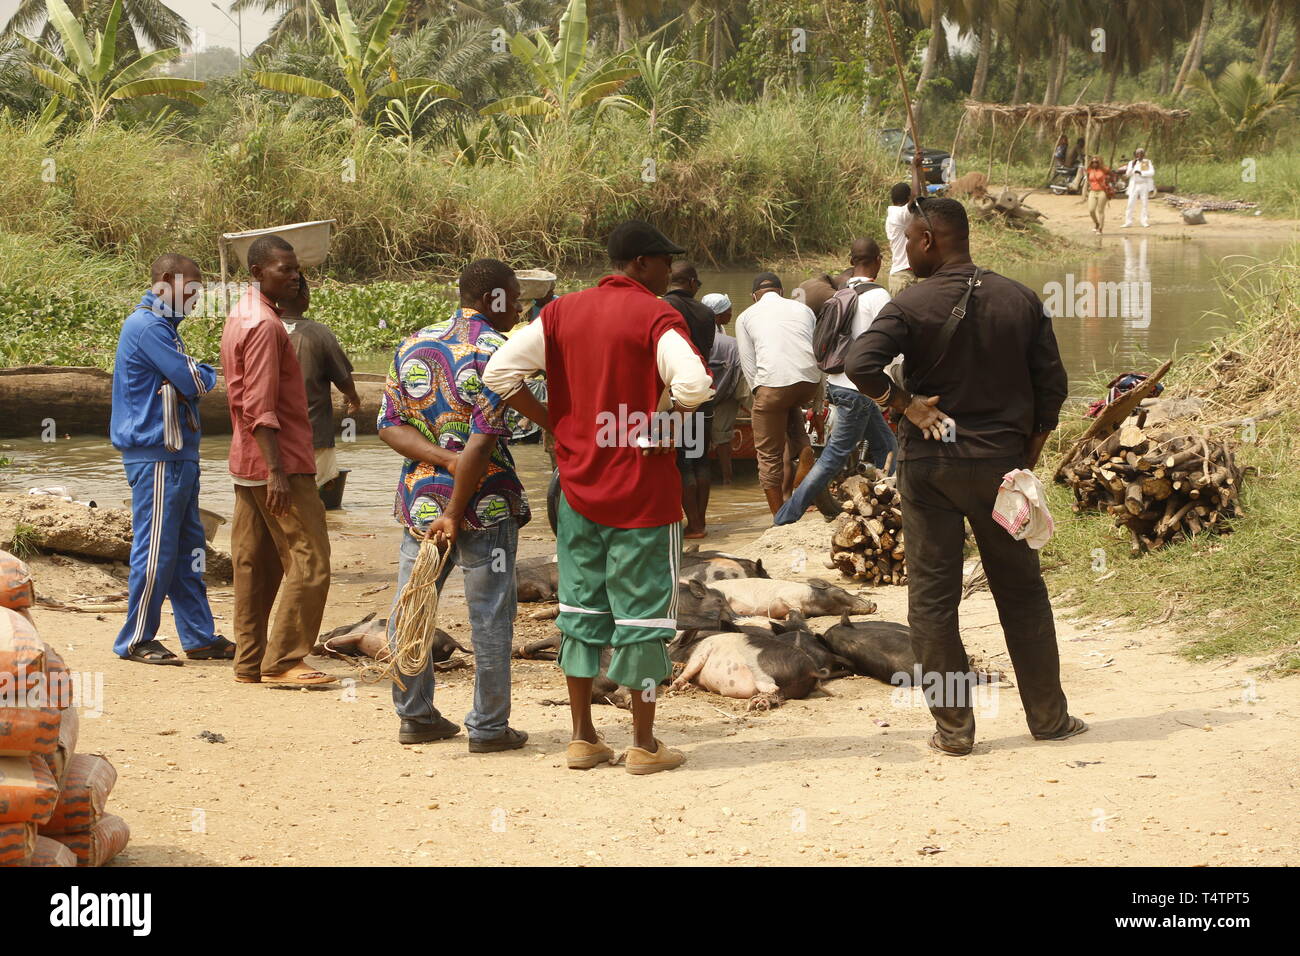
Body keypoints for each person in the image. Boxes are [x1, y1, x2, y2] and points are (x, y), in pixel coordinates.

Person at [843, 196, 1086, 756]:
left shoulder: (910, 304)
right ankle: (1049, 721)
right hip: (1000, 469)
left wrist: (905, 405)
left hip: (930, 470)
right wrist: (1024, 453)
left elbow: (860, 364)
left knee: (932, 602)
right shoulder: (1020, 299)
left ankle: (954, 732)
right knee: (1022, 594)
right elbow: (1052, 390)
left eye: (908, 239)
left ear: (929, 240)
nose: (903, 250)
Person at [483, 220, 713, 775]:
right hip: (644, 499)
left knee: (580, 612)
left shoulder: (560, 313)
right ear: (641, 264)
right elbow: (695, 385)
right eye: (663, 262)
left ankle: (583, 737)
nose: (667, 272)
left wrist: (558, 424)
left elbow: (498, 374)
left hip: (577, 491)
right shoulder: (657, 316)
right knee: (645, 622)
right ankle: (643, 743)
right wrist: (663, 427)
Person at [377, 258, 531, 750]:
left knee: (414, 604)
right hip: (483, 506)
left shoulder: (412, 344)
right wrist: (459, 484)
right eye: (515, 295)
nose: (521, 306)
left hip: (422, 502)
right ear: (495, 299)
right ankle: (488, 727)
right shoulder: (500, 352)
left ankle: (415, 716)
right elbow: (484, 444)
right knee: (490, 615)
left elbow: (388, 424)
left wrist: (442, 462)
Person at [220, 235, 335, 687]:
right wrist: (277, 472)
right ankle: (285, 659)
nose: (294, 276)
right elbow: (260, 406)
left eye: (296, 269)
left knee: (255, 563)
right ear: (257, 273)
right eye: (284, 269)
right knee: (311, 561)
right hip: (277, 461)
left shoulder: (241, 313)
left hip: (245, 460)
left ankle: (249, 661)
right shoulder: (266, 326)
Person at [109, 254, 231, 666]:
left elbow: (187, 381)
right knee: (157, 548)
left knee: (186, 551)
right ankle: (135, 639)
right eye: (193, 285)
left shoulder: (162, 327)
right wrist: (202, 372)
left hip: (177, 456)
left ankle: (198, 637)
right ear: (166, 281)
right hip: (157, 456)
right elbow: (195, 380)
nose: (199, 294)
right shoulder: (147, 326)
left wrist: (192, 375)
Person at [775, 238, 897, 526]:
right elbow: (889, 345)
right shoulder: (878, 296)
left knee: (887, 446)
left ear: (851, 260)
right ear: (878, 261)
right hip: (860, 388)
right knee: (832, 457)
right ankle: (786, 516)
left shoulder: (843, 290)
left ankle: (886, 502)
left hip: (840, 384)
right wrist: (894, 389)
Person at [735, 272, 822, 516]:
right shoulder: (803, 310)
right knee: (789, 404)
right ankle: (804, 448)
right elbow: (817, 352)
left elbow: (749, 365)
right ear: (781, 292)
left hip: (774, 384)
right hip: (808, 381)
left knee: (768, 456)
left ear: (754, 297)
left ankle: (779, 516)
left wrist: (760, 398)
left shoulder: (745, 317)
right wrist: (816, 401)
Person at [281, 277, 361, 489]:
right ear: (305, 297)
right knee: (313, 493)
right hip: (312, 432)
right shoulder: (319, 333)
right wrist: (352, 396)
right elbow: (343, 378)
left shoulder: (262, 327)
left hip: (270, 435)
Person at [663, 261, 716, 538]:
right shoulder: (706, 313)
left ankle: (692, 523)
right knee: (700, 458)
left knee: (682, 460)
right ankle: (700, 522)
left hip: (674, 394)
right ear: (692, 283)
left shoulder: (660, 309)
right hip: (702, 390)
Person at [701, 292, 747, 485]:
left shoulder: (693, 333)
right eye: (728, 310)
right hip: (723, 394)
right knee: (722, 437)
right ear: (718, 315)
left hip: (702, 395)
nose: (731, 313)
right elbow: (739, 375)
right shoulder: (731, 344)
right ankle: (728, 480)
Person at [1123, 147, 1156, 228]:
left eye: (1141, 153)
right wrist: (1133, 167)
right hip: (1134, 185)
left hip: (1143, 184)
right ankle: (1128, 222)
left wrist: (1141, 173)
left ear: (1143, 155)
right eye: (1137, 154)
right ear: (1135, 155)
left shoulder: (1146, 162)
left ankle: (1144, 221)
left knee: (1144, 203)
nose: (1139, 155)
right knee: (1130, 203)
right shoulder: (1132, 162)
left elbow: (1151, 173)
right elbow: (1128, 174)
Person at [1085, 155, 1111, 235]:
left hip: (1102, 192)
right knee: (1091, 210)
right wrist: (1088, 188)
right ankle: (1096, 223)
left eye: (1096, 162)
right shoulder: (1089, 170)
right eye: (1093, 162)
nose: (1094, 163)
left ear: (1100, 162)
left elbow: (1111, 177)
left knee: (1100, 211)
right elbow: (1088, 180)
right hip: (1092, 191)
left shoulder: (1104, 170)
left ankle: (1100, 229)